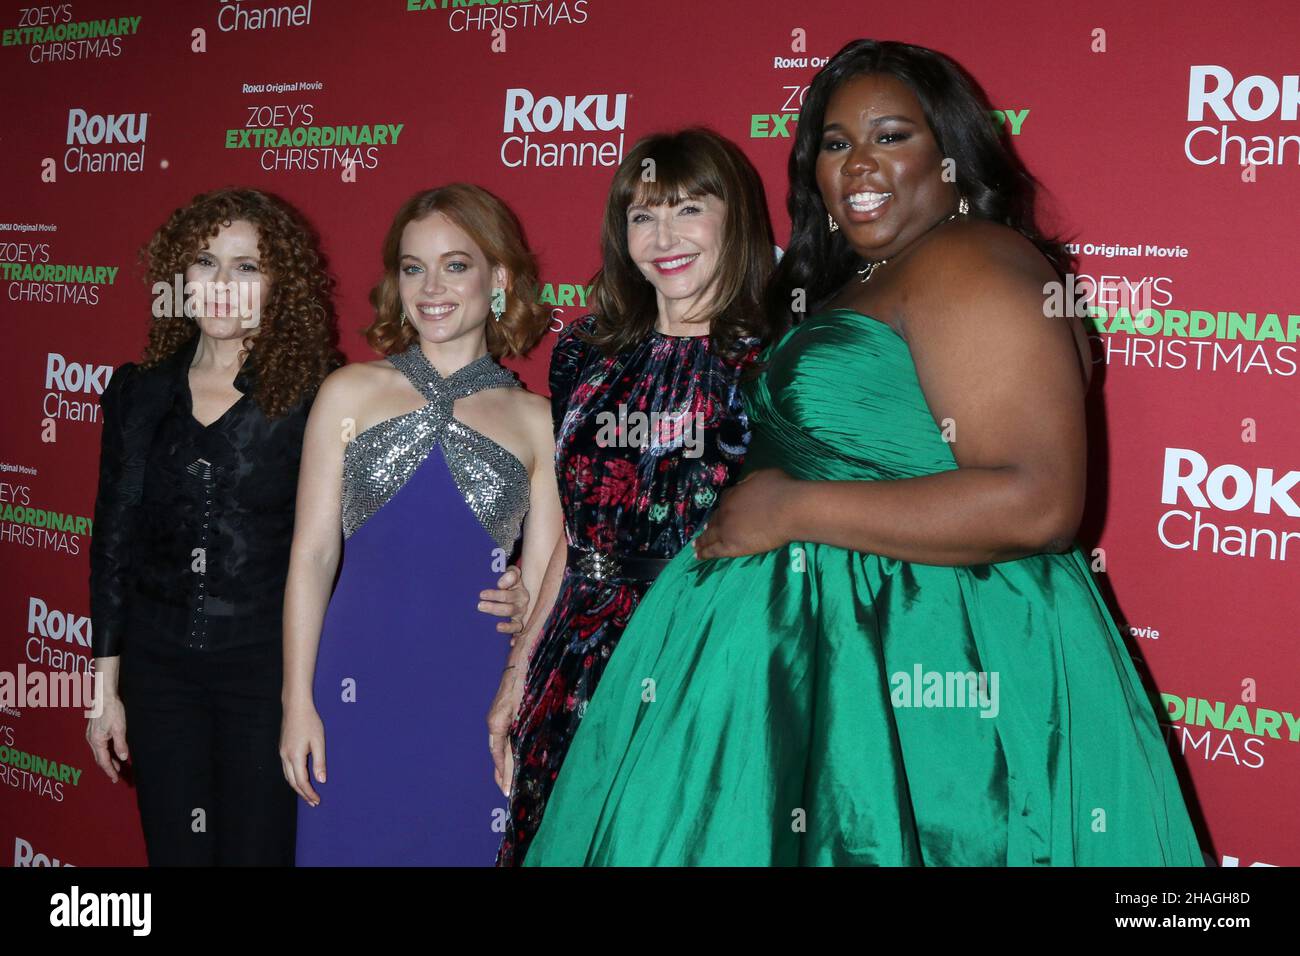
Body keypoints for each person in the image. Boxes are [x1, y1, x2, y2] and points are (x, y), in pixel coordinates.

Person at [524, 40, 1206, 866]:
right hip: (842, 657)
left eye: (892, 136)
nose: (858, 164)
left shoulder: (972, 260)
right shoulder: (882, 273)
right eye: (836, 144)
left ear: (951, 152)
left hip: (933, 656)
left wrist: (792, 507)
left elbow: (1039, 501)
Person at [86, 187, 529, 867]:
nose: (224, 286)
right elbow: (114, 538)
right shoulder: (138, 391)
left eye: (246, 267)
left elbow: (368, 534)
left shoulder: (313, 392)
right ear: (179, 278)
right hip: (157, 672)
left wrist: (521, 578)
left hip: (272, 670)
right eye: (206, 262)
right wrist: (103, 687)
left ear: (277, 283)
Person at [492, 128, 780, 865]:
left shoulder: (775, 358)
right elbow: (570, 533)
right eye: (643, 215)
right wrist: (521, 669)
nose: (664, 236)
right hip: (576, 653)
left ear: (735, 218)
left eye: (689, 209)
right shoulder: (585, 351)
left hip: (709, 655)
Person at [282, 183, 562, 865]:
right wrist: (296, 702)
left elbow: (555, 577)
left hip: (473, 697)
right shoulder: (348, 391)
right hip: (352, 686)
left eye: (455, 265)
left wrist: (526, 605)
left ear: (498, 278)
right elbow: (313, 556)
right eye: (413, 267)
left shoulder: (538, 421)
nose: (432, 286)